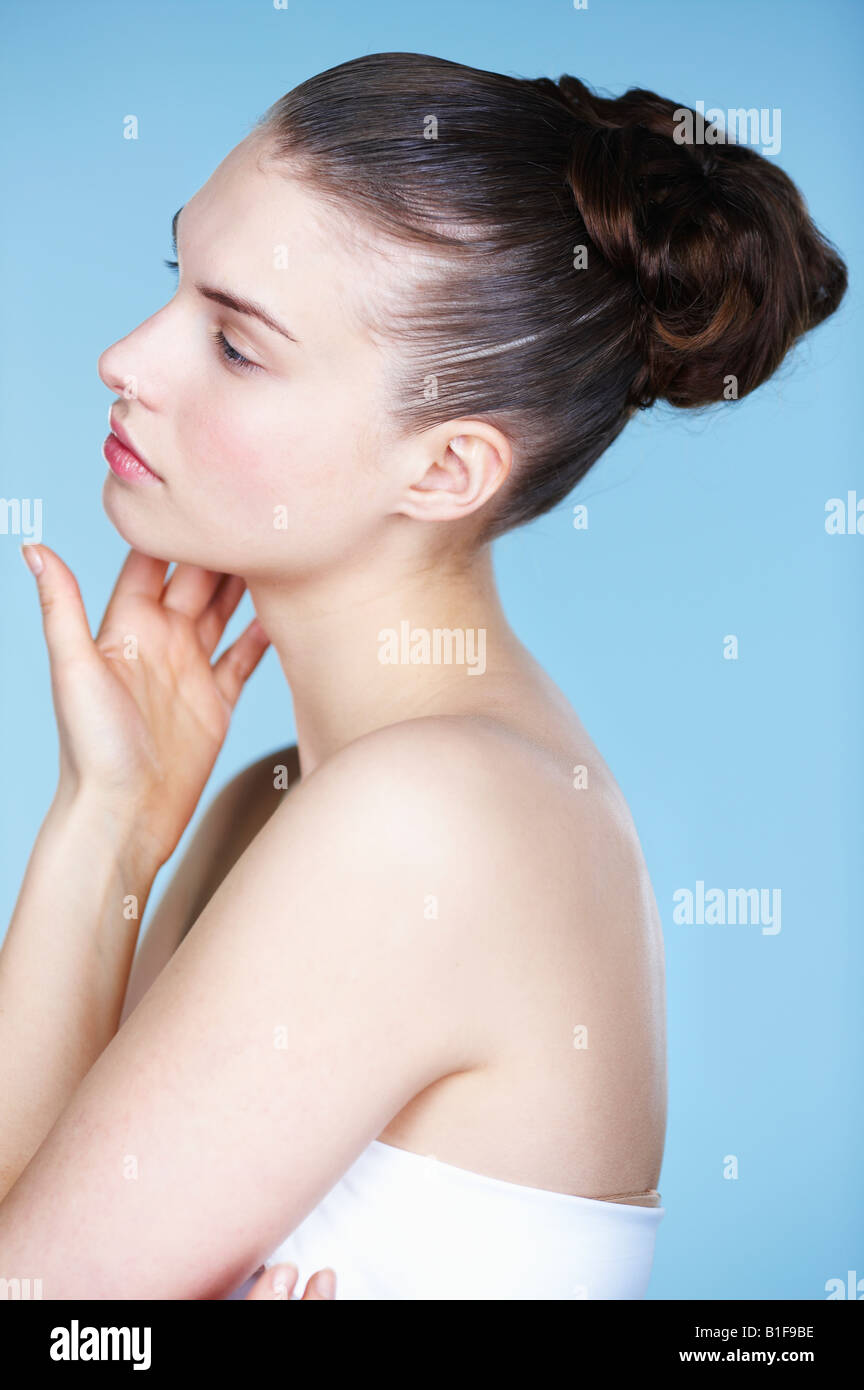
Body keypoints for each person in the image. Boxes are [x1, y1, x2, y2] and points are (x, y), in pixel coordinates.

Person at [0, 52, 846, 1300]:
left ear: (447, 470)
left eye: (235, 344)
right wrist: (109, 826)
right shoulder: (278, 799)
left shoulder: (427, 821)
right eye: (175, 279)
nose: (126, 357)